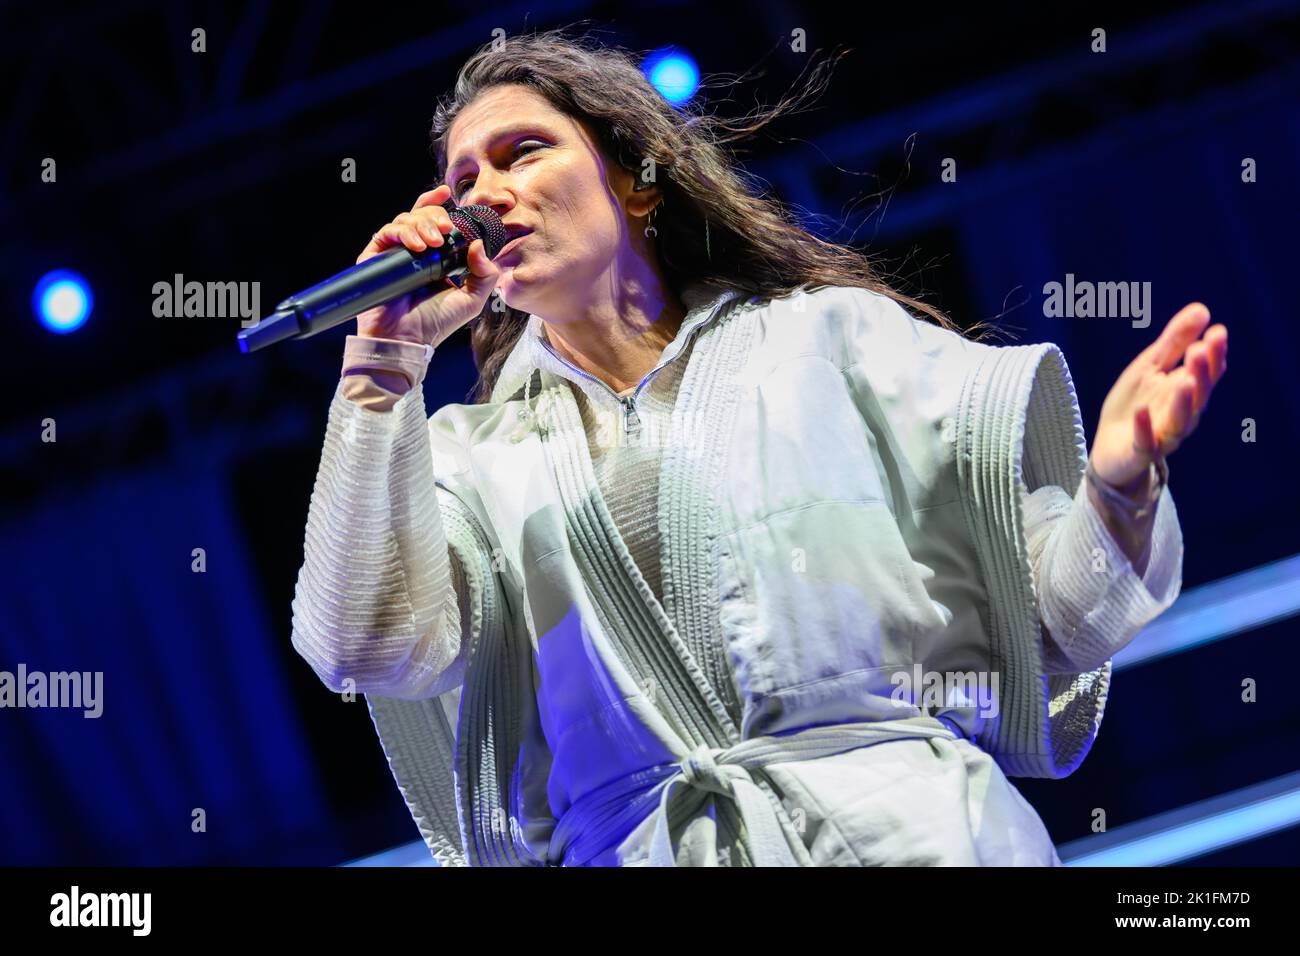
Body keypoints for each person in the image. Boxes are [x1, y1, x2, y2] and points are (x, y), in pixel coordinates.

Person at [289, 29, 1228, 866]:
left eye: (520, 152)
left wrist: (1118, 490)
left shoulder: (833, 339)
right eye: (459, 183)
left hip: (909, 833)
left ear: (633, 178)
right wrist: (385, 363)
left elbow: (1063, 624)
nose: (481, 197)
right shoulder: (466, 458)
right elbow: (363, 647)